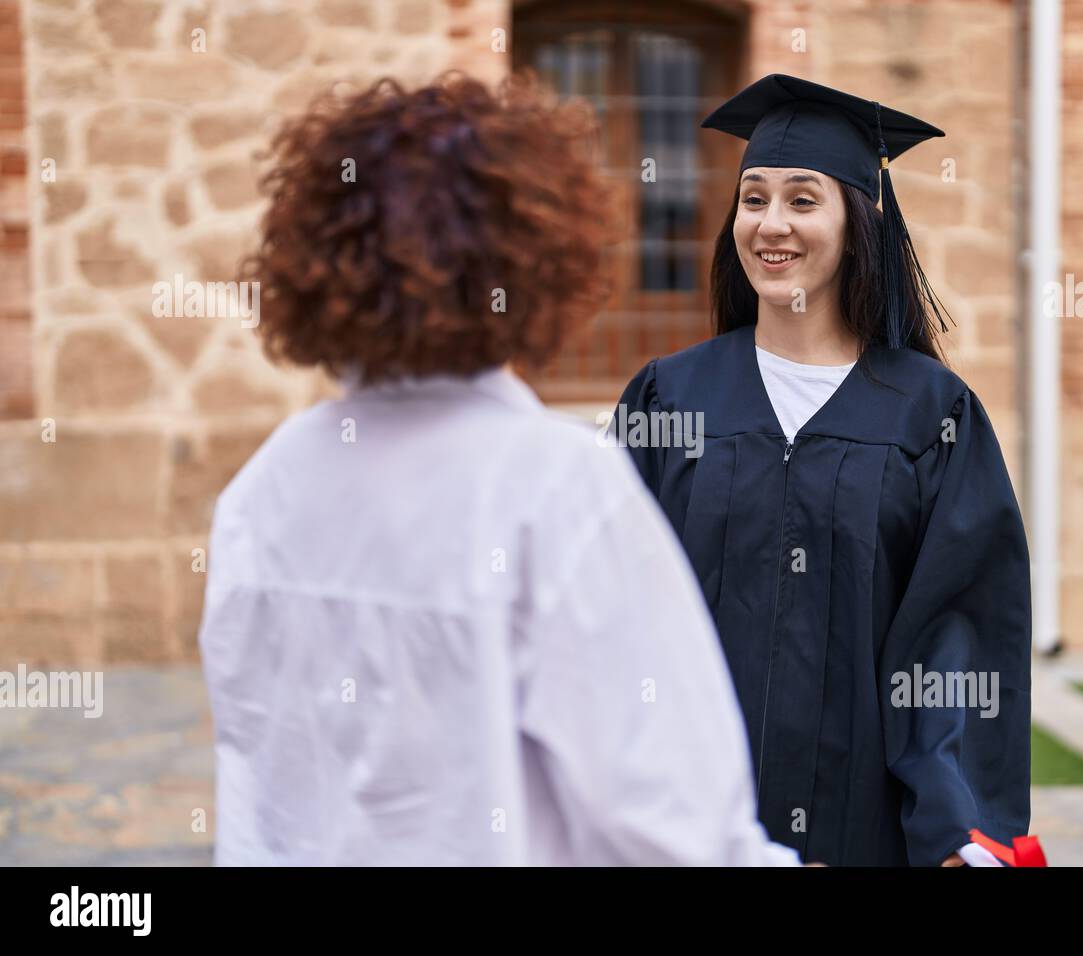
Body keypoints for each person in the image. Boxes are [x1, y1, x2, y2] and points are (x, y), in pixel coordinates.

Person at [197, 72, 800, 866]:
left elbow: (254, 798)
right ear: (533, 256)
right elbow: (670, 825)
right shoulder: (556, 488)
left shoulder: (263, 489)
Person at [607, 74, 1032, 866]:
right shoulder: (671, 396)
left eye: (804, 200)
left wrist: (956, 826)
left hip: (866, 828)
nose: (772, 225)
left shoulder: (930, 414)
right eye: (754, 199)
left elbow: (957, 637)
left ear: (858, 221)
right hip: (689, 825)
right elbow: (606, 608)